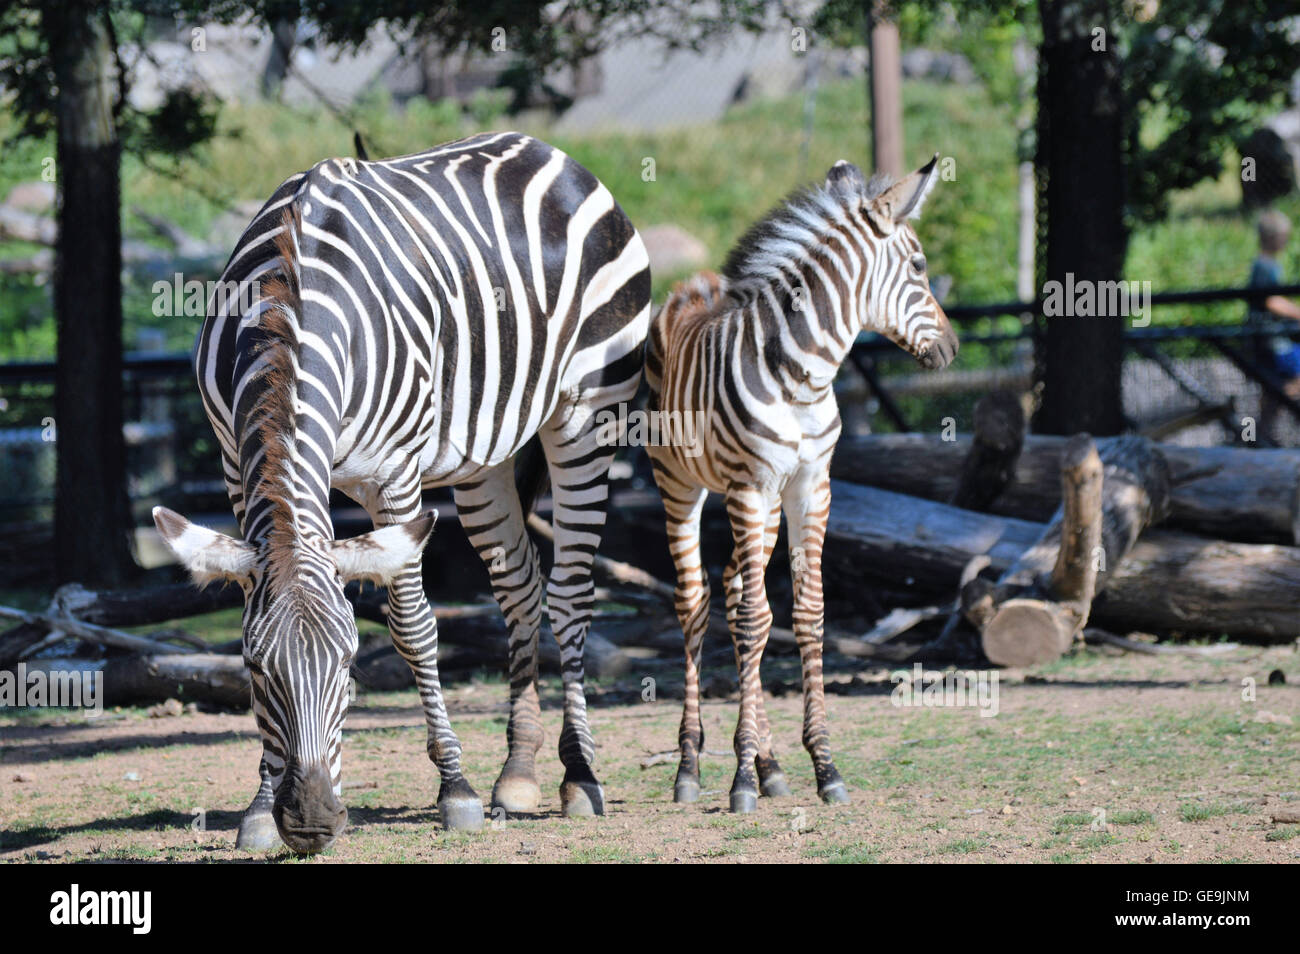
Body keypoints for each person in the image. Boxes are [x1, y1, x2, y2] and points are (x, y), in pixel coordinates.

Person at [1246, 210, 1300, 443]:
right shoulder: (1264, 267)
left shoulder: (1269, 265)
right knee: (1278, 388)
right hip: (1272, 341)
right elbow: (1271, 300)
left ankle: (1260, 437)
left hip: (1273, 339)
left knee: (1270, 394)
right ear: (1273, 237)